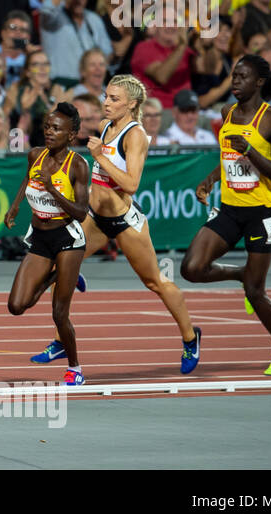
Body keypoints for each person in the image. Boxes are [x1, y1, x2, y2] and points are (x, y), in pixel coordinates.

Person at [25, 75, 201, 371]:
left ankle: (190, 337)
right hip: (94, 218)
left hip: (123, 221)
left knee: (154, 281)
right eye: (106, 97)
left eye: (114, 99)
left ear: (131, 104)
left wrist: (99, 157)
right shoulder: (107, 126)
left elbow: (131, 184)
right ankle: (60, 339)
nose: (106, 103)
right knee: (58, 268)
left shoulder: (135, 135)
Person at [182, 54, 271, 376]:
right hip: (231, 209)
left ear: (259, 82)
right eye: (233, 76)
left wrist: (249, 150)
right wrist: (209, 180)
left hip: (261, 212)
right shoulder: (227, 113)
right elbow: (228, 157)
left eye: (242, 77)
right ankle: (238, 272)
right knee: (192, 268)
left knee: (255, 293)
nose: (235, 82)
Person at [3, 103, 91, 386]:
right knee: (17, 305)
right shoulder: (35, 155)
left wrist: (53, 188)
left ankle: (75, 368)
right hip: (40, 238)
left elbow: (80, 212)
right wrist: (15, 207)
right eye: (47, 127)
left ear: (72, 134)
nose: (49, 132)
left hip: (67, 239)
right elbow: (28, 179)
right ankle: (60, 275)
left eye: (56, 129)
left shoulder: (78, 165)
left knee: (58, 313)